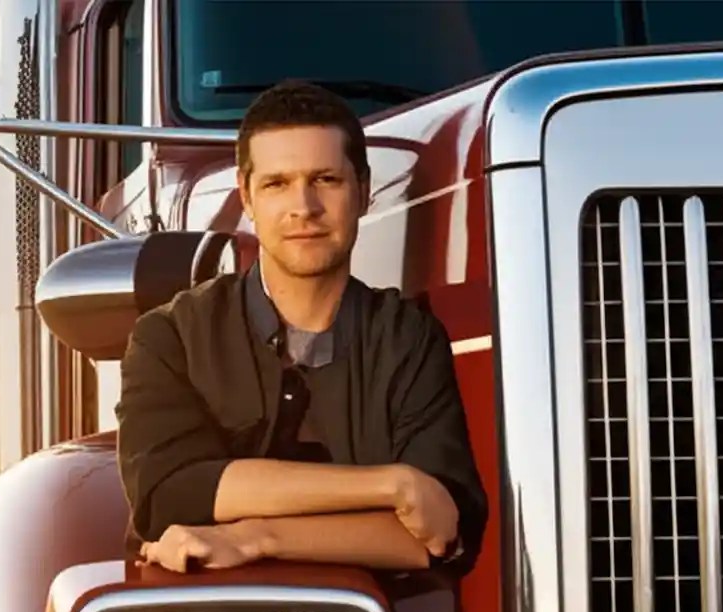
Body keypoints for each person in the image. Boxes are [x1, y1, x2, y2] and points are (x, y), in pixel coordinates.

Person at [115, 79, 487, 577]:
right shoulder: (171, 337)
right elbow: (169, 498)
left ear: (364, 189)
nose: (304, 208)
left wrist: (254, 536)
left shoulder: (408, 339)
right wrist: (391, 486)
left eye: (326, 180)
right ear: (246, 196)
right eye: (277, 183)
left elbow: (438, 530)